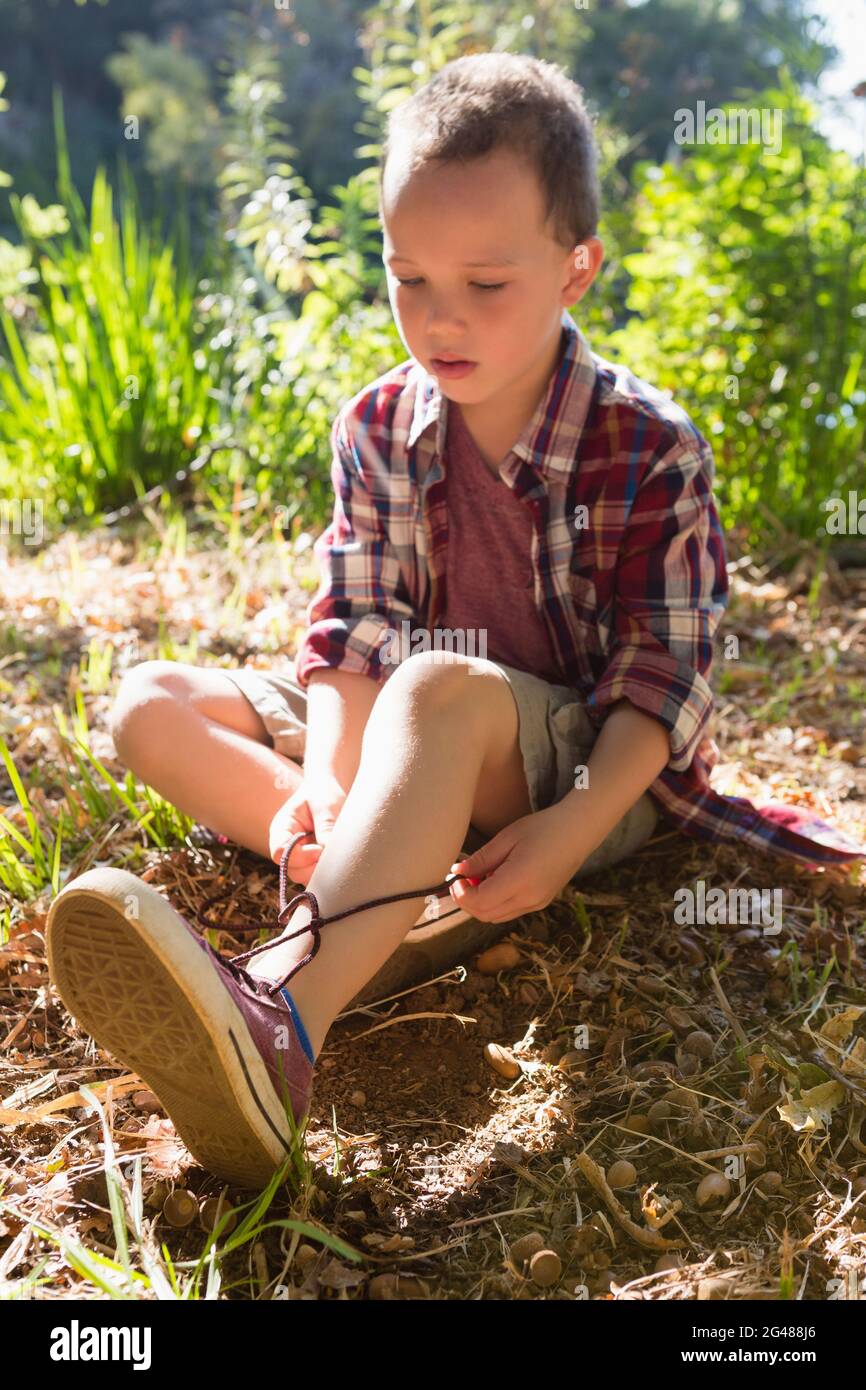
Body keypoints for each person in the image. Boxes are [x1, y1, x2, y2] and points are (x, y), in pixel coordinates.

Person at [45, 53, 864, 1190]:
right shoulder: (378, 423)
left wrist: (572, 831)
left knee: (435, 686)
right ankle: (370, 877)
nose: (440, 318)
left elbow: (658, 685)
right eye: (407, 276)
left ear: (576, 268)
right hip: (407, 730)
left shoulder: (646, 444)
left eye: (485, 285)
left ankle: (280, 1010)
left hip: (575, 761)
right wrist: (329, 787)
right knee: (147, 706)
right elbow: (355, 625)